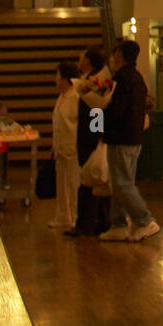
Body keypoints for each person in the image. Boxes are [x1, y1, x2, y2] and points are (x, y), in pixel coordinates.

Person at [79, 39, 159, 242]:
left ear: (121, 55)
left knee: (122, 184)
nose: (112, 58)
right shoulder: (137, 78)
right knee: (121, 183)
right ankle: (119, 223)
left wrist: (98, 115)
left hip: (121, 137)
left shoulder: (123, 79)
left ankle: (144, 220)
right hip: (133, 137)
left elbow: (116, 110)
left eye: (115, 54)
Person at [64, 46, 113, 238]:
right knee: (94, 178)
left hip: (91, 137)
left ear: (90, 61)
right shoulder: (90, 79)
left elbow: (97, 109)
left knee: (91, 178)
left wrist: (97, 133)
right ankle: (100, 220)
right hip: (88, 135)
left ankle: (87, 223)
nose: (79, 60)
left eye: (82, 57)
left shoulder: (98, 82)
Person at [49, 60, 81, 231]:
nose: (56, 79)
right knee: (61, 184)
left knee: (74, 184)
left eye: (58, 75)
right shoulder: (62, 96)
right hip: (60, 146)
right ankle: (63, 216)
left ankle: (77, 218)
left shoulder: (77, 96)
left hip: (73, 146)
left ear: (65, 78)